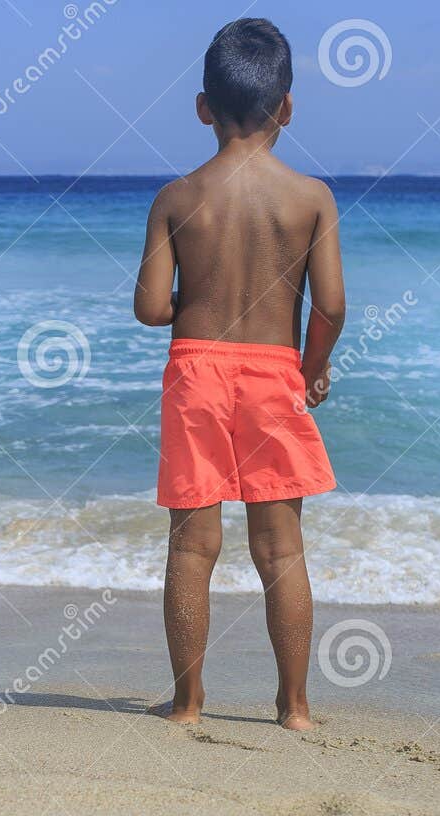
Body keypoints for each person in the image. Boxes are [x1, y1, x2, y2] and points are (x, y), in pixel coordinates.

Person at [132, 17, 344, 731]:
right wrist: (311, 372)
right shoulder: (311, 198)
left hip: (197, 373)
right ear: (287, 107)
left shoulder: (176, 198)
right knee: (280, 547)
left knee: (192, 544)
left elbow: (149, 306)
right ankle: (295, 707)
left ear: (202, 107)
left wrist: (191, 306)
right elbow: (333, 306)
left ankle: (188, 703)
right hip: (274, 373)